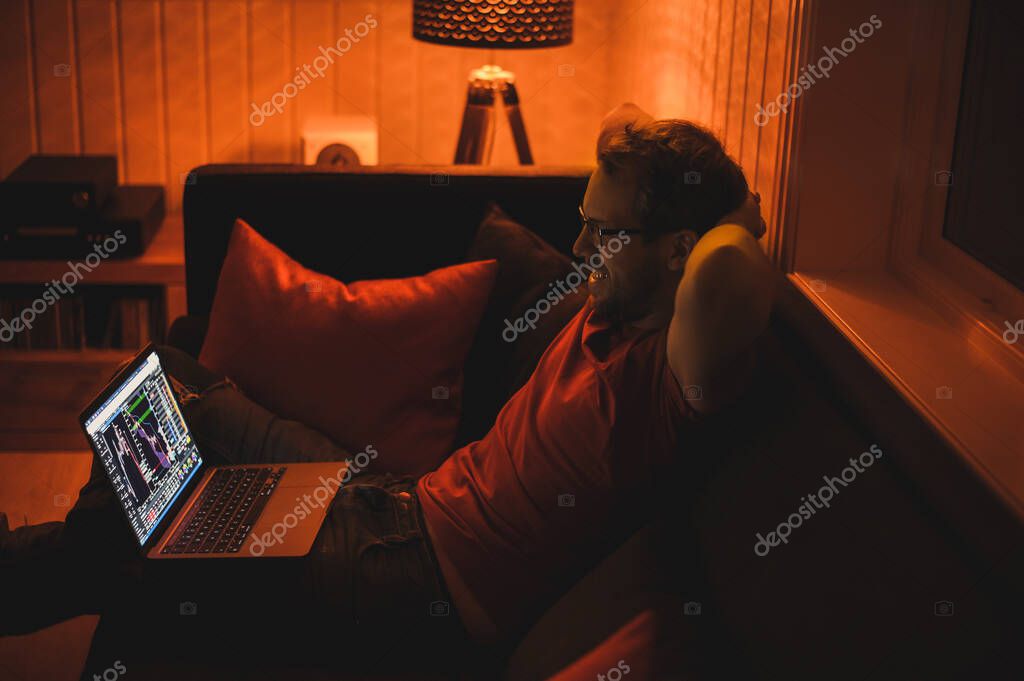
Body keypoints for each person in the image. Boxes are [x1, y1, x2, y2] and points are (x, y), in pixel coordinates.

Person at [0, 104, 773, 673]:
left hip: (408, 580)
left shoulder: (670, 379)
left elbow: (726, 269)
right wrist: (681, 221)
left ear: (680, 250)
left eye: (604, 232)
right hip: (391, 499)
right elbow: (666, 216)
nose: (578, 249)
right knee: (166, 374)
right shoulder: (616, 300)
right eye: (584, 223)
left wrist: (733, 214)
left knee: (149, 549)